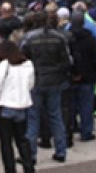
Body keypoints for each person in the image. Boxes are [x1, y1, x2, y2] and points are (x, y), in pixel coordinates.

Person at [22, 10, 70, 162]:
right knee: (55, 116)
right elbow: (67, 60)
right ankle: (61, 151)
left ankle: (31, 154)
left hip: (36, 80)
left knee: (33, 117)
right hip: (55, 80)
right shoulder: (59, 37)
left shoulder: (29, 38)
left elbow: (22, 58)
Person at [0, 40, 35, 173]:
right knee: (22, 140)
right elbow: (31, 85)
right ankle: (29, 170)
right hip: (22, 104)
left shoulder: (5, 65)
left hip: (6, 105)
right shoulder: (28, 64)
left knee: (6, 142)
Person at [69, 12, 96, 141]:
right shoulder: (90, 38)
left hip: (70, 75)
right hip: (87, 75)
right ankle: (86, 131)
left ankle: (71, 128)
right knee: (86, 105)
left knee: (70, 104)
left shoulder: (66, 37)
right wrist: (92, 70)